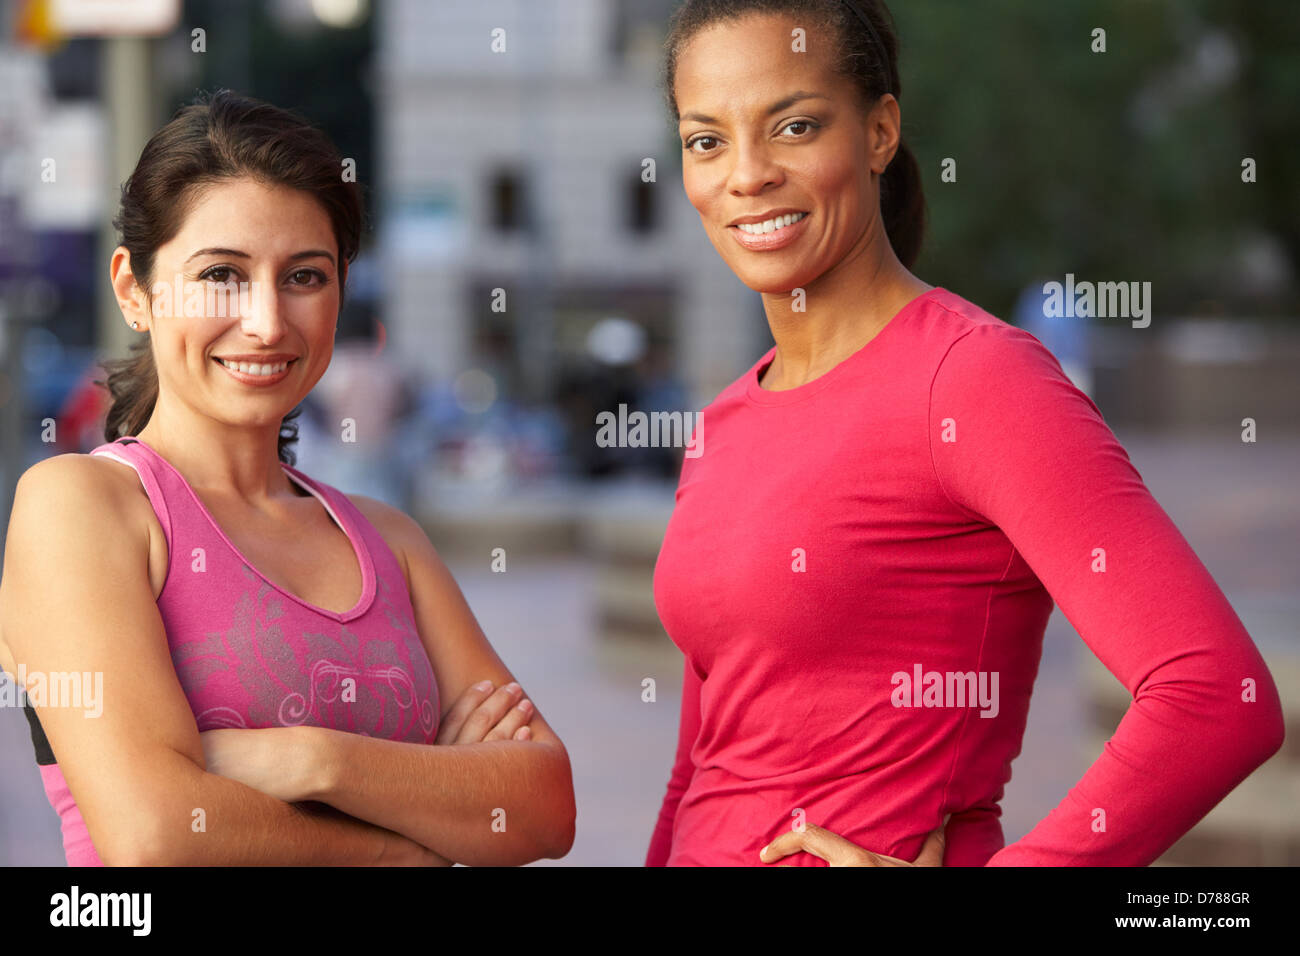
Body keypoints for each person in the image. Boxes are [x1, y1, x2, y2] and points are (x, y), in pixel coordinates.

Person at [646, 0, 1283, 866]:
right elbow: (700, 771)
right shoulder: (721, 425)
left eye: (793, 126)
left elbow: (1218, 695)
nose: (746, 175)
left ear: (879, 132)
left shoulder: (978, 382)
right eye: (706, 140)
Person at [0, 90, 575, 866]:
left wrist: (314, 759)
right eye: (221, 275)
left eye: (304, 276)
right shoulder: (83, 507)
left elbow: (542, 807)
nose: (268, 322)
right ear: (135, 291)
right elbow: (158, 834)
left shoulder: (389, 540)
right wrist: (410, 841)